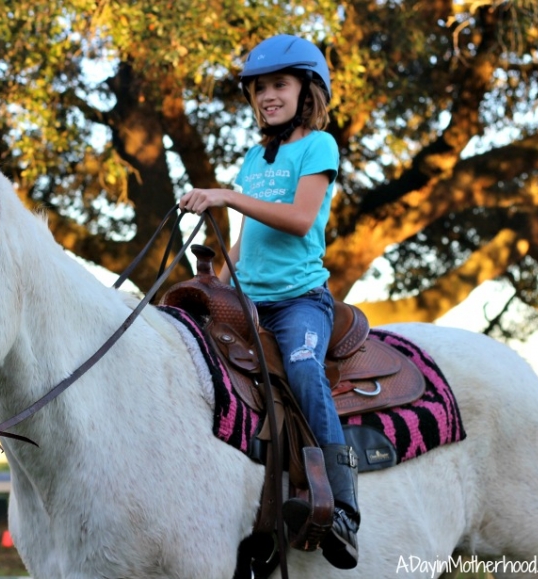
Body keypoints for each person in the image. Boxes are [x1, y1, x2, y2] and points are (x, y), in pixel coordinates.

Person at [178, 34, 360, 569]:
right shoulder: (254, 158)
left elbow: (301, 219)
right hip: (250, 302)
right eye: (258, 89)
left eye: (279, 84)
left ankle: (345, 508)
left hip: (299, 301)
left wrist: (228, 195)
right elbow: (246, 241)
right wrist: (219, 275)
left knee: (304, 370)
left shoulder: (318, 146)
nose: (267, 96)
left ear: (307, 92)